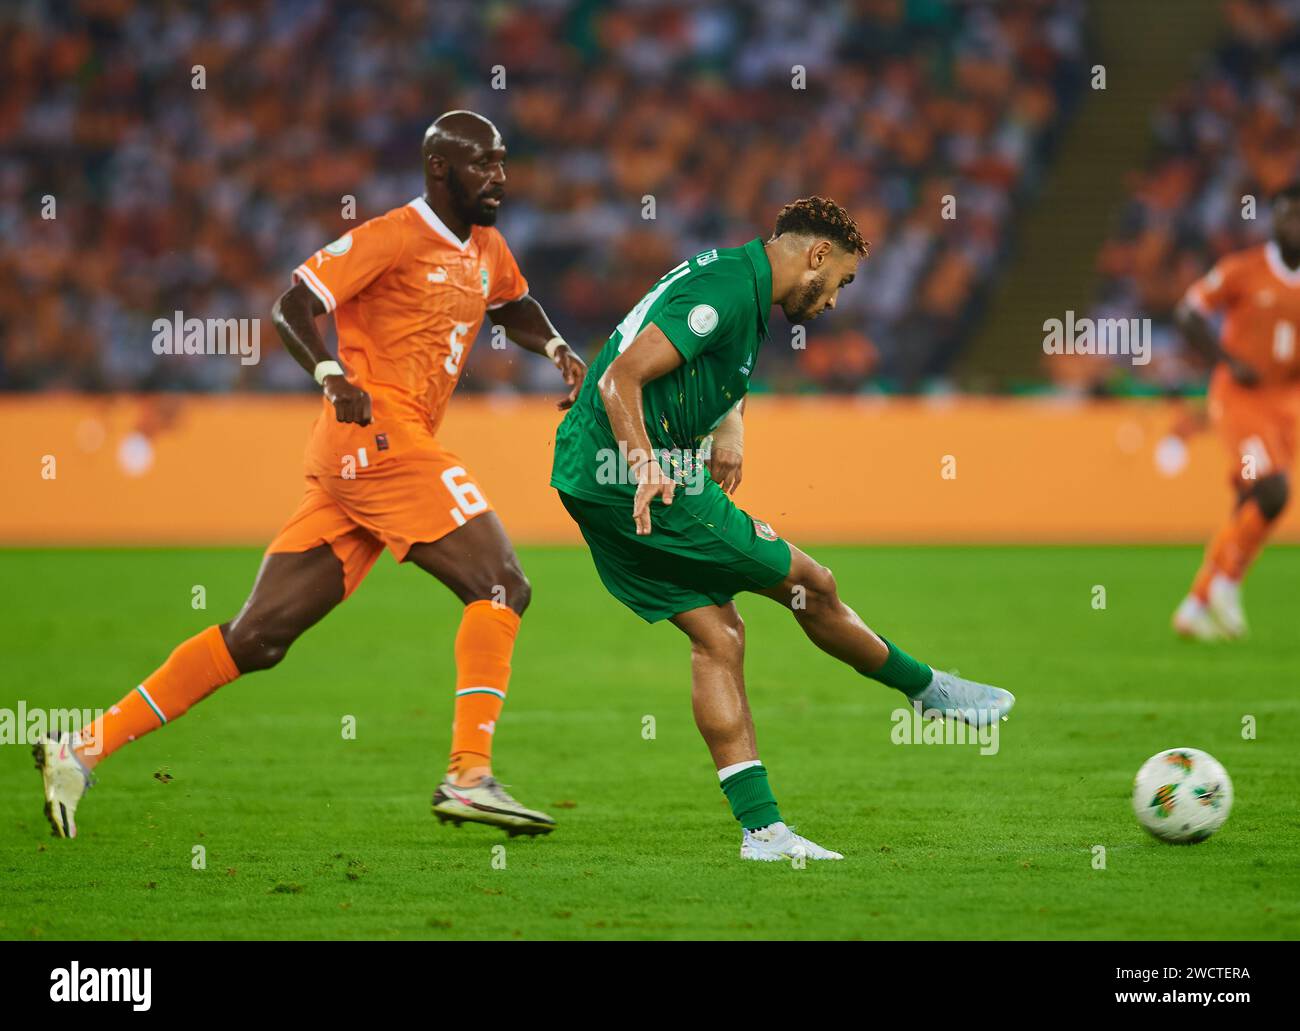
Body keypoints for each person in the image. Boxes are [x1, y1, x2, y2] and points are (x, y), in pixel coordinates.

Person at [35, 111, 587, 840]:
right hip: (377, 435)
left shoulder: (486, 246)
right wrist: (329, 371)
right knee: (501, 583)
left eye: (503, 162)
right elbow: (294, 301)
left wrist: (555, 346)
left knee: (259, 637)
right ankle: (469, 773)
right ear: (440, 172)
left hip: (365, 460)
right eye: (483, 164)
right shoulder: (392, 235)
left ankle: (79, 749)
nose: (500, 177)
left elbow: (512, 301)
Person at [550, 196, 1013, 862]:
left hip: (589, 479)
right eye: (841, 282)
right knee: (811, 583)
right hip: (637, 479)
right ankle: (928, 689)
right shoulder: (729, 294)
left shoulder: (736, 279)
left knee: (719, 633)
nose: (832, 303)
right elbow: (620, 378)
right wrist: (646, 465)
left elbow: (701, 363)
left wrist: (730, 424)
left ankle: (762, 832)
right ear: (816, 255)